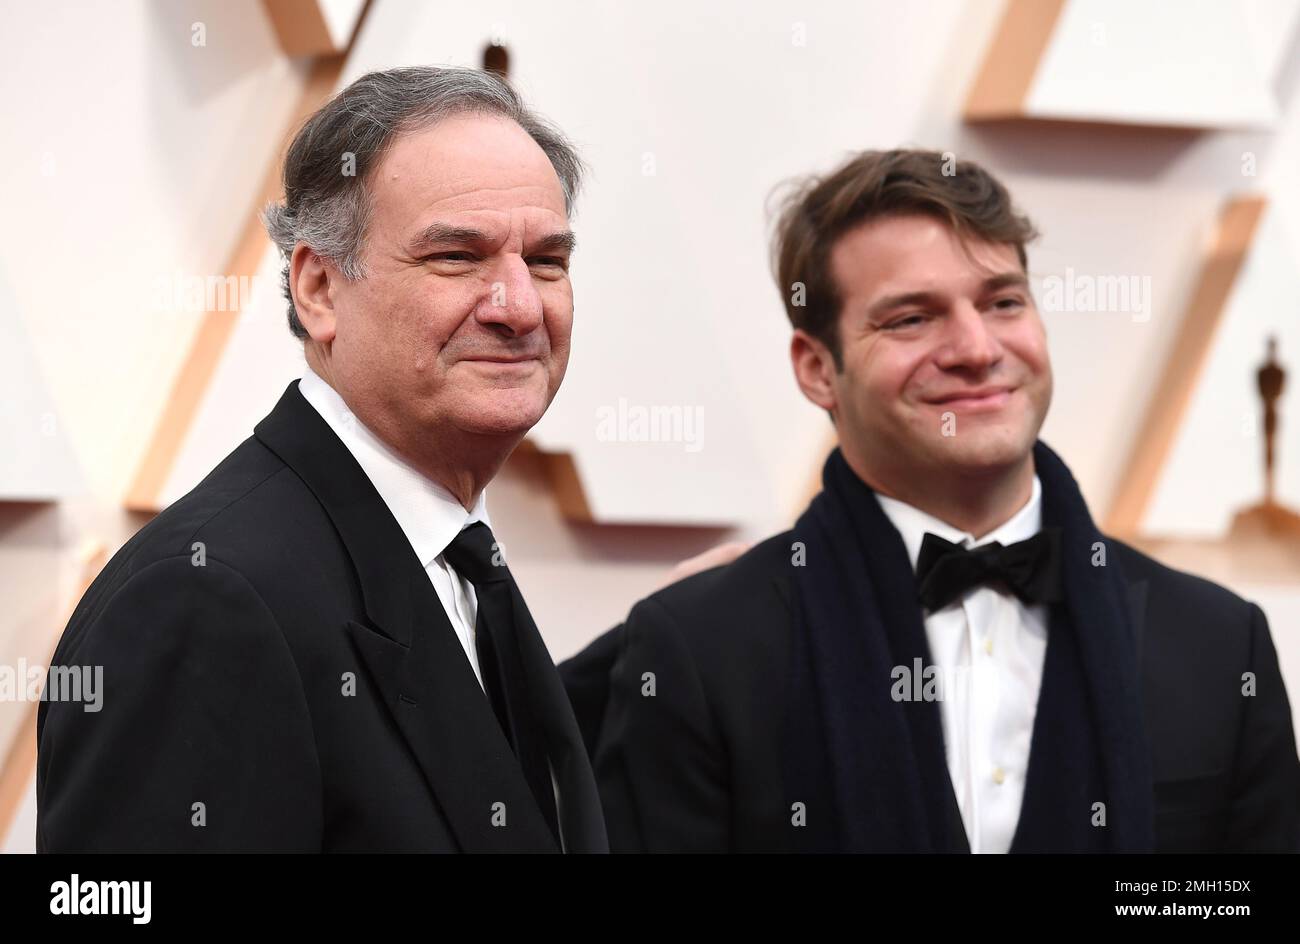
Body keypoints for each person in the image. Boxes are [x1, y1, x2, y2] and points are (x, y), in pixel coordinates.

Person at [562, 149, 1300, 853]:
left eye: (1003, 302)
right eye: (912, 318)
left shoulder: (1217, 643)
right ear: (818, 368)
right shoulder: (700, 649)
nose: (977, 348)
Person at [37, 66, 606, 853]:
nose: (518, 306)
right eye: (455, 257)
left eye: (547, 261)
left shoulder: (459, 565)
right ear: (319, 289)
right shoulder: (202, 602)